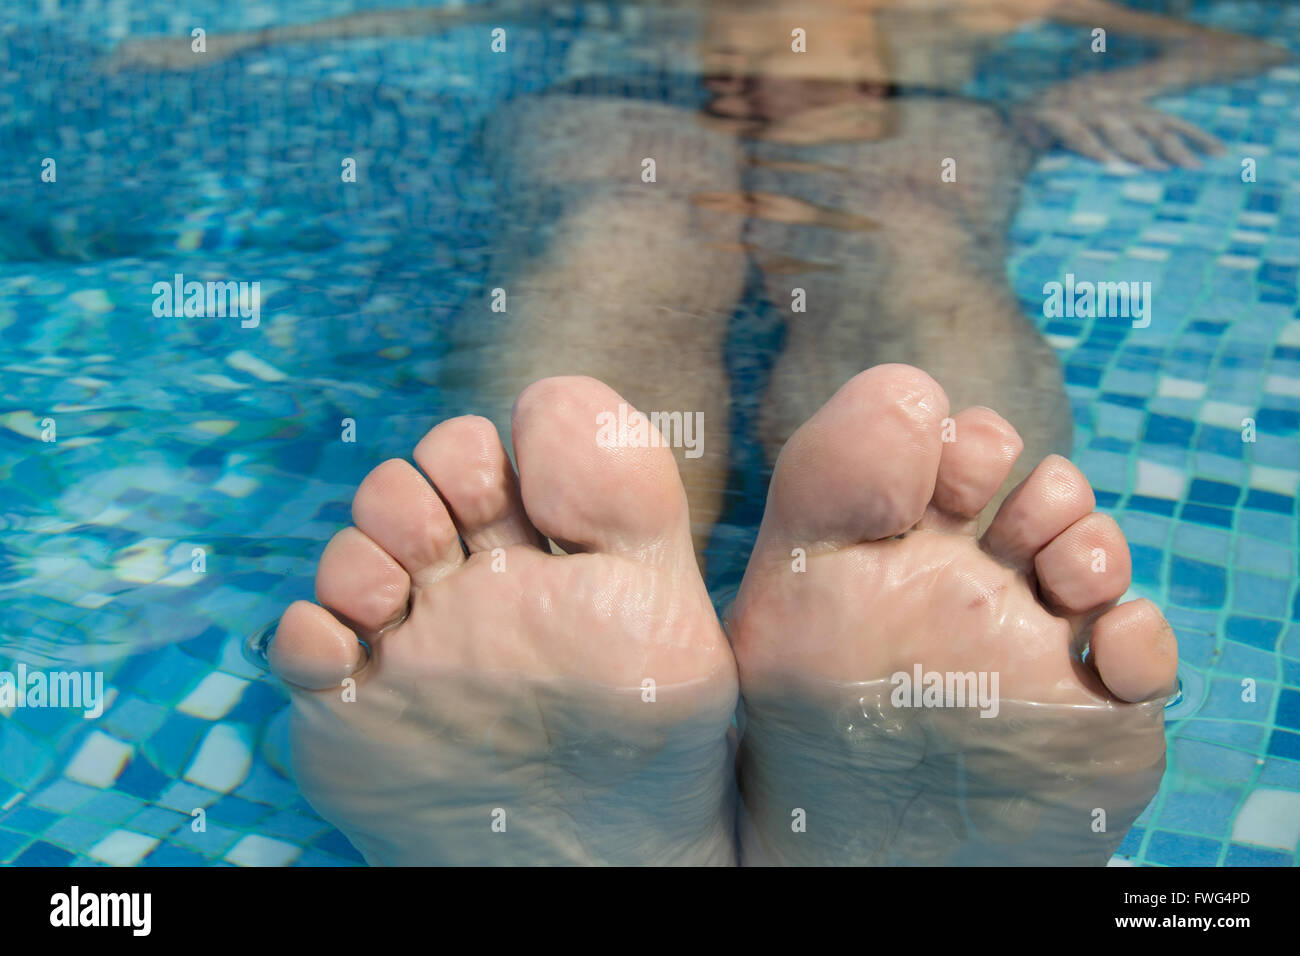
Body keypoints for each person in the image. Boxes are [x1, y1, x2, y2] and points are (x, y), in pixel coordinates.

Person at [112, 1, 1285, 864]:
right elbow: (420, 17)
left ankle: (583, 613)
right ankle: (918, 630)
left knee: (897, 222)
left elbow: (1243, 44)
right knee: (626, 220)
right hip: (636, 114)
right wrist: (235, 44)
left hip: (890, 120)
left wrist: (1083, 87)